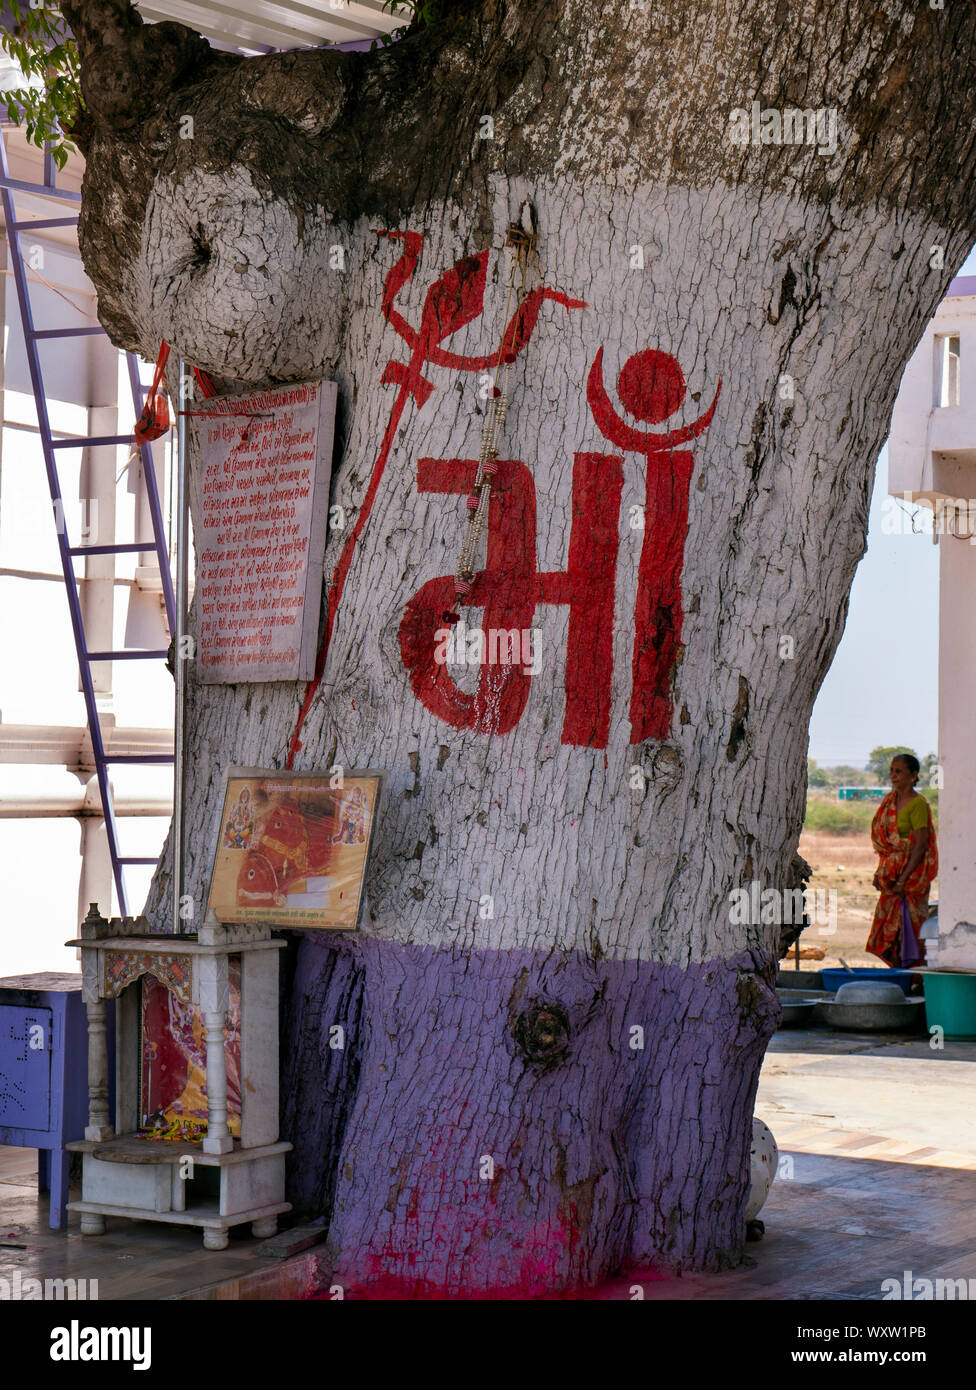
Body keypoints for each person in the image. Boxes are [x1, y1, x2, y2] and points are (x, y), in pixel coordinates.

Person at [866, 754, 938, 966]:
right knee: (888, 933)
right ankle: (898, 976)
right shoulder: (889, 801)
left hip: (911, 879)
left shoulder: (918, 805)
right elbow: (886, 848)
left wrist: (902, 880)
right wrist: (882, 873)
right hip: (891, 878)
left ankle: (915, 978)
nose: (894, 776)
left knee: (910, 929)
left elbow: (921, 845)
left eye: (899, 772)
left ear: (913, 775)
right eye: (892, 771)